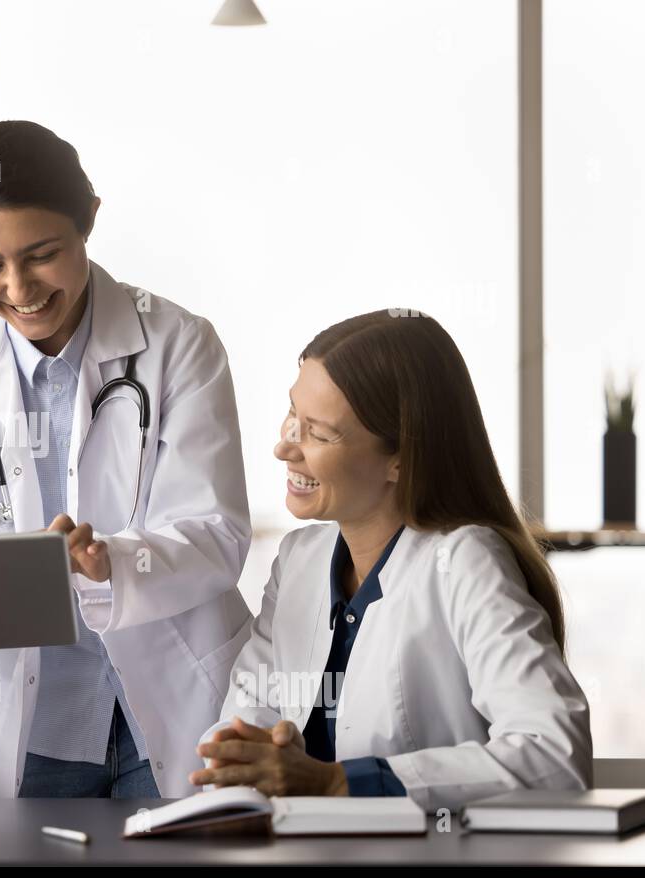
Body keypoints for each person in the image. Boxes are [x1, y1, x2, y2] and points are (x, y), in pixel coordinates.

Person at [0, 121, 252, 798]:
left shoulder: (179, 344)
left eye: (42, 253)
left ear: (88, 222)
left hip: (173, 705)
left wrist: (107, 562)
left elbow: (218, 534)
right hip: (39, 723)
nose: (18, 286)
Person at [194, 310, 592, 811]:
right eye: (292, 415)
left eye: (317, 433)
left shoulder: (465, 562)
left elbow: (554, 755)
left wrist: (336, 782)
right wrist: (247, 761)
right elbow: (241, 729)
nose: (284, 447)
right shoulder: (299, 561)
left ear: (400, 457)